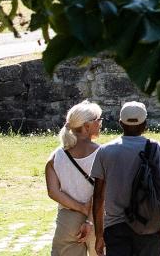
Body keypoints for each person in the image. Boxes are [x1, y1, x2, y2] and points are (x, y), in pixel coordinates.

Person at [90, 102, 160, 256]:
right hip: (149, 224)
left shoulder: (105, 151)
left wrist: (99, 235)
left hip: (115, 227)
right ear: (145, 124)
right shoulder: (157, 149)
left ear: (121, 123)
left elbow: (98, 195)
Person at [46, 101, 103, 256]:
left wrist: (80, 208)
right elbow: (102, 192)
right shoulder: (104, 154)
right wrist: (90, 218)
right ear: (87, 126)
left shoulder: (55, 156)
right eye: (98, 120)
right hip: (99, 220)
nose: (100, 124)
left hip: (67, 221)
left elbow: (53, 192)